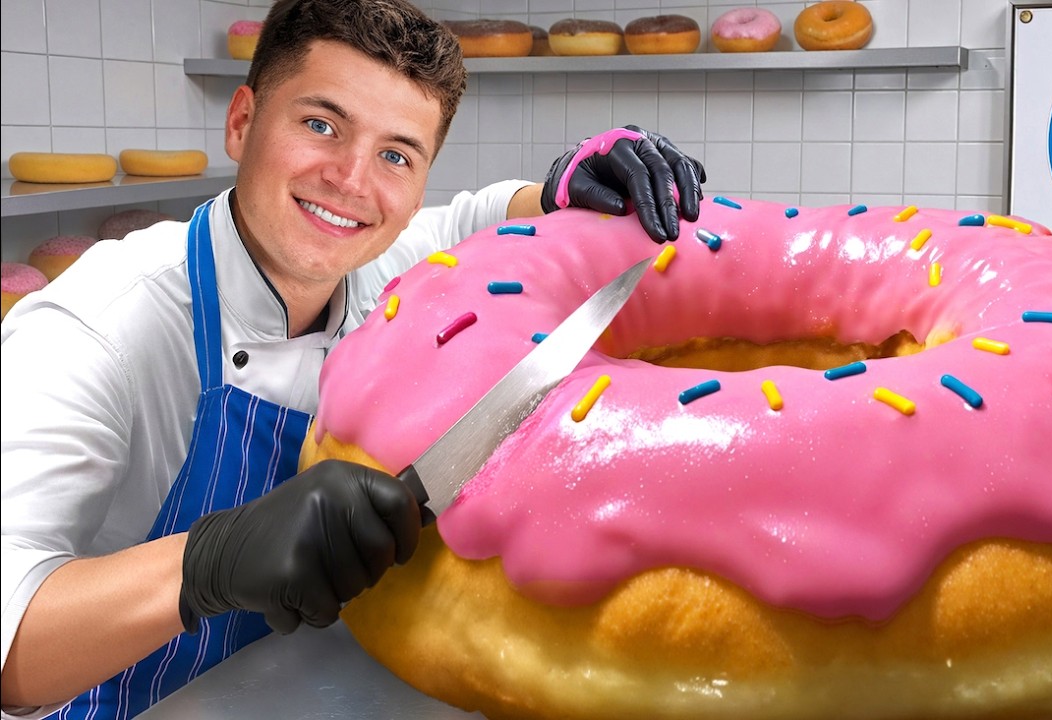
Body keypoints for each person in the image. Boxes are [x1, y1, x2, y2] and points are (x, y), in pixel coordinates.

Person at [0, 1, 706, 717]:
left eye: (396, 154)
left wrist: (565, 187)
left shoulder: (373, 260)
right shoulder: (95, 326)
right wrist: (208, 564)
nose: (350, 181)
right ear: (241, 122)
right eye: (320, 125)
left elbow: (475, 217)